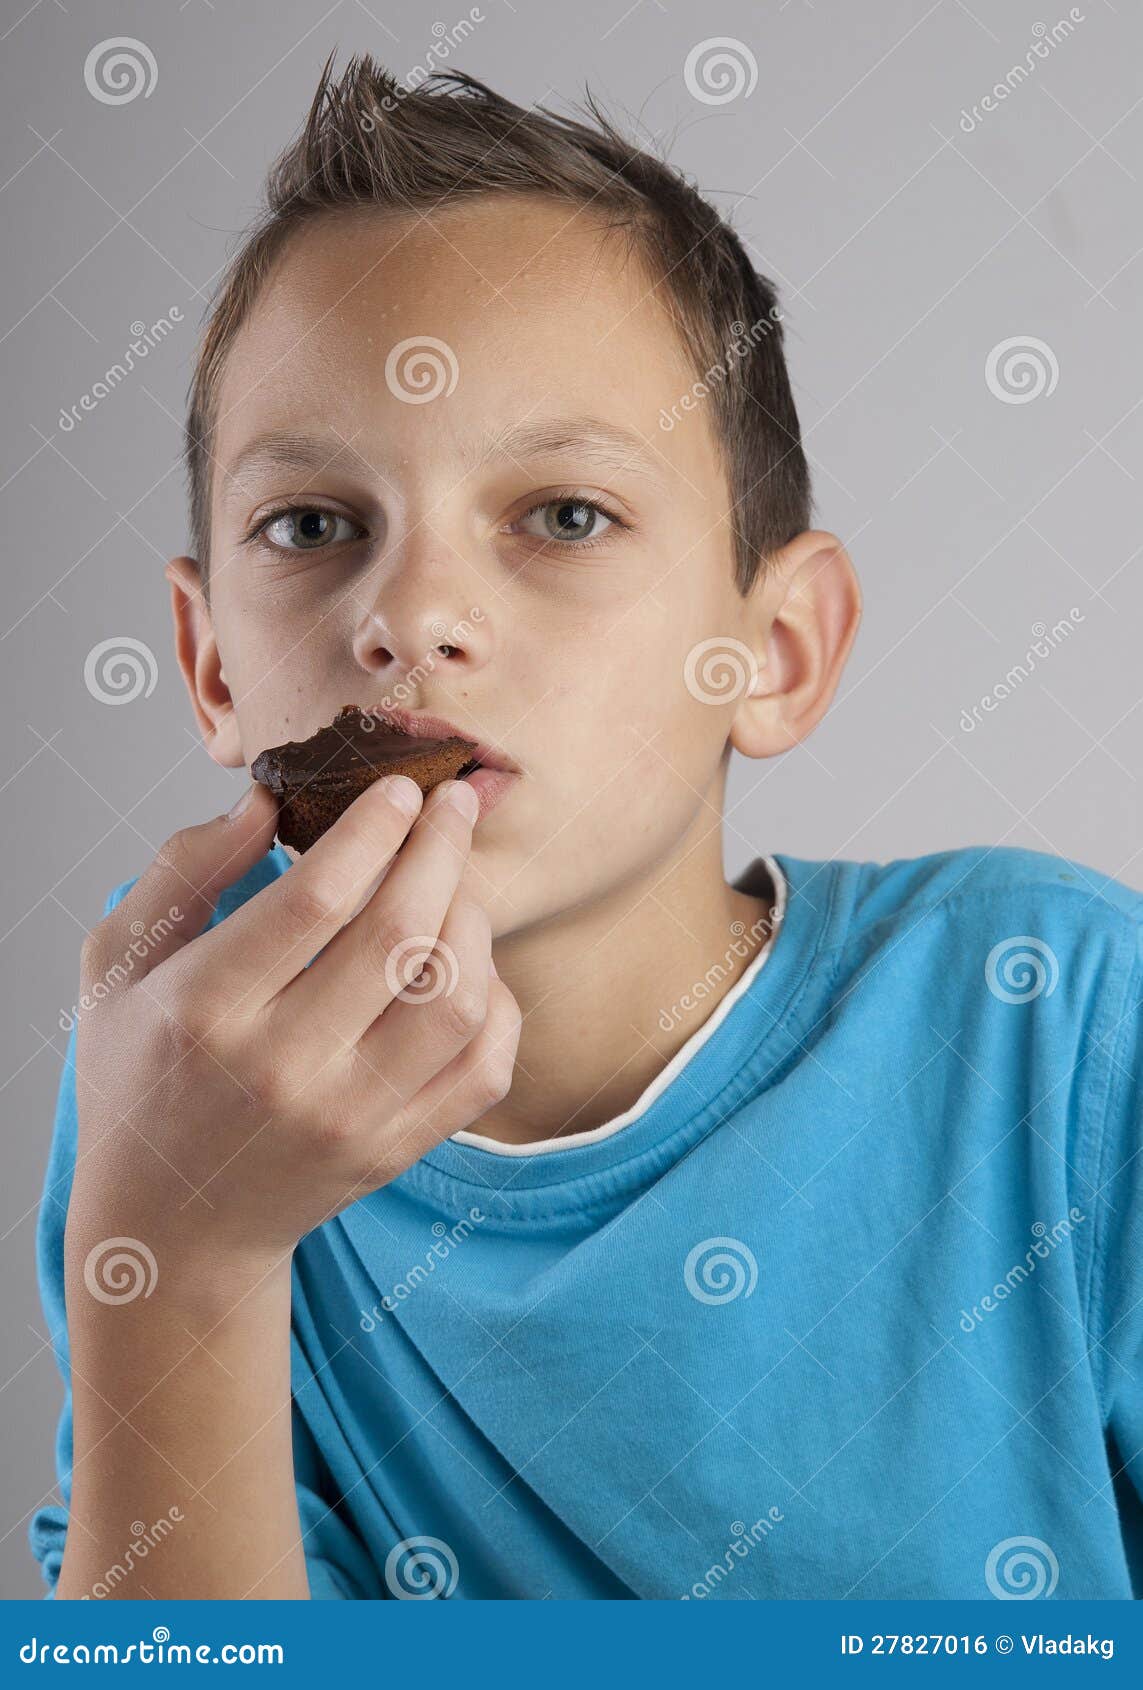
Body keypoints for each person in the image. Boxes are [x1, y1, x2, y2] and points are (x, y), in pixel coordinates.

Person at [32, 54, 1143, 1600]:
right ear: (211, 661)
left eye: (563, 514)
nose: (410, 615)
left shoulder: (1059, 1027)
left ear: (777, 650)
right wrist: (184, 1269)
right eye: (313, 526)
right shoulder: (182, 1083)